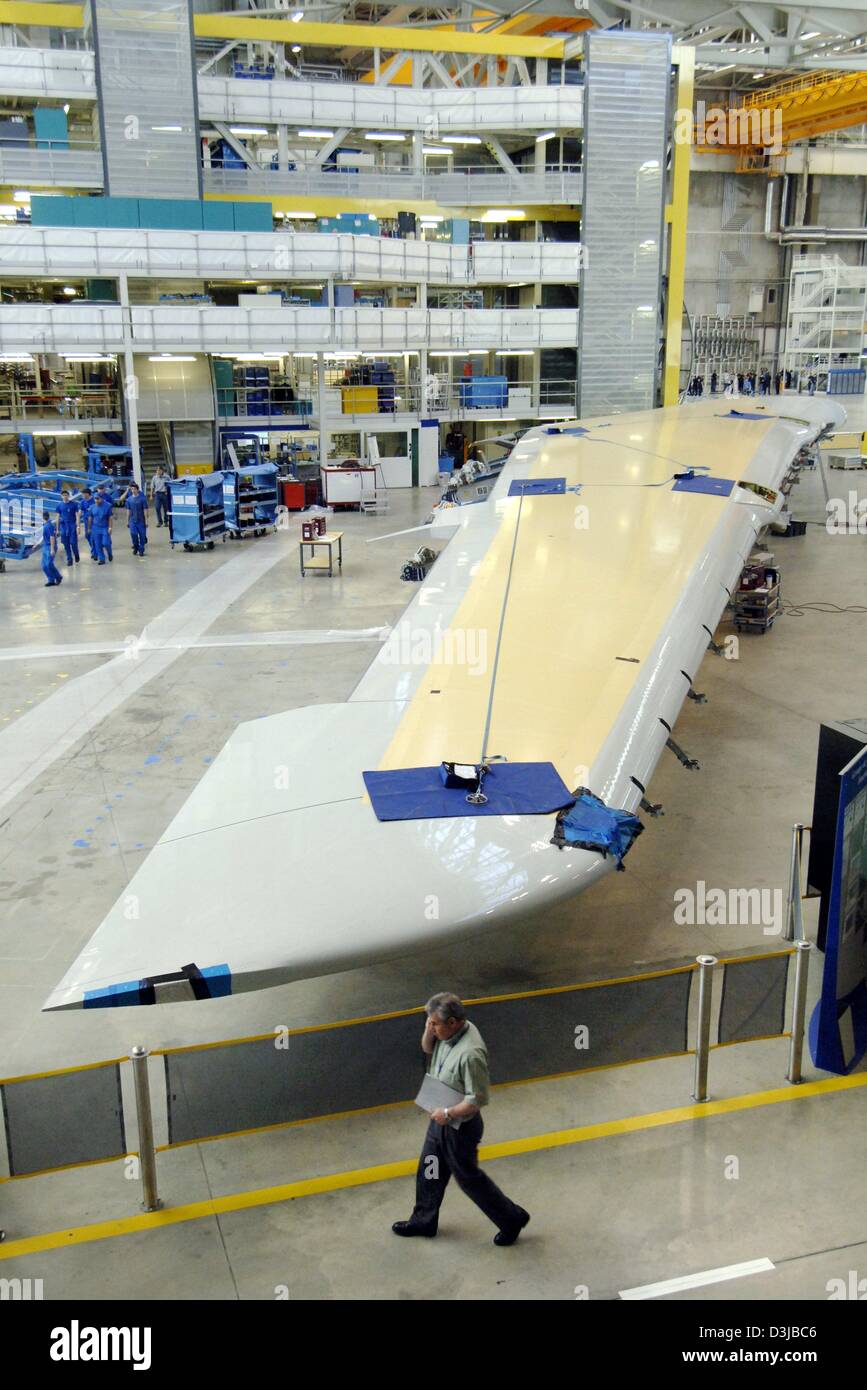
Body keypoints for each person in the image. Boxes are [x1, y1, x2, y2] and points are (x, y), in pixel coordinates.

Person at [392, 992, 530, 1246]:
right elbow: (427, 1048)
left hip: (459, 1128)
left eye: (435, 1023)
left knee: (469, 1180)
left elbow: (477, 1099)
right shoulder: (447, 1032)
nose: (432, 1027)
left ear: (453, 1022)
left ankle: (511, 1218)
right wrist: (429, 1029)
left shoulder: (471, 1054)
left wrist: (447, 1114)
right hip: (440, 1118)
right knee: (429, 1169)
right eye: (429, 1022)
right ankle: (424, 1221)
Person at [121, 482, 148, 558]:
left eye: (134, 489)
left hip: (141, 520)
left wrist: (146, 520)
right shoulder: (129, 500)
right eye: (131, 489)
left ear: (137, 490)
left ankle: (141, 550)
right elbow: (128, 511)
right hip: (133, 520)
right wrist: (127, 521)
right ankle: (136, 546)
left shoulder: (142, 499)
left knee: (142, 536)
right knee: (134, 534)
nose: (133, 490)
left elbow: (145, 510)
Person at [56, 489, 80, 566]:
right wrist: (57, 529)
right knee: (66, 544)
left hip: (72, 525)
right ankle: (69, 559)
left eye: (66, 495)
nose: (65, 496)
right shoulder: (59, 505)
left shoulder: (74, 504)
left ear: (68, 496)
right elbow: (57, 517)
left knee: (73, 543)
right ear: (61, 496)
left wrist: (78, 526)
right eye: (63, 495)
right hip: (63, 526)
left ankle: (76, 554)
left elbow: (77, 515)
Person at [91, 488, 114, 565]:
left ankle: (109, 553)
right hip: (95, 528)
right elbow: (90, 518)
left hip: (105, 527)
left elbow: (110, 517)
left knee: (106, 543)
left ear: (101, 498)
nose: (96, 500)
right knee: (98, 544)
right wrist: (89, 528)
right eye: (95, 499)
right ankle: (102, 559)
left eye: (98, 499)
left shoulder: (107, 506)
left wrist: (110, 527)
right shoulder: (92, 507)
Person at [41, 513, 63, 587]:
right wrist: (37, 544)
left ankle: (58, 577)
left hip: (50, 547)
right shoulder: (45, 525)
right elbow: (43, 536)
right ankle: (51, 580)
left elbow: (52, 537)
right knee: (44, 565)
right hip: (45, 546)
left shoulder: (49, 526)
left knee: (48, 564)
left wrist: (52, 549)